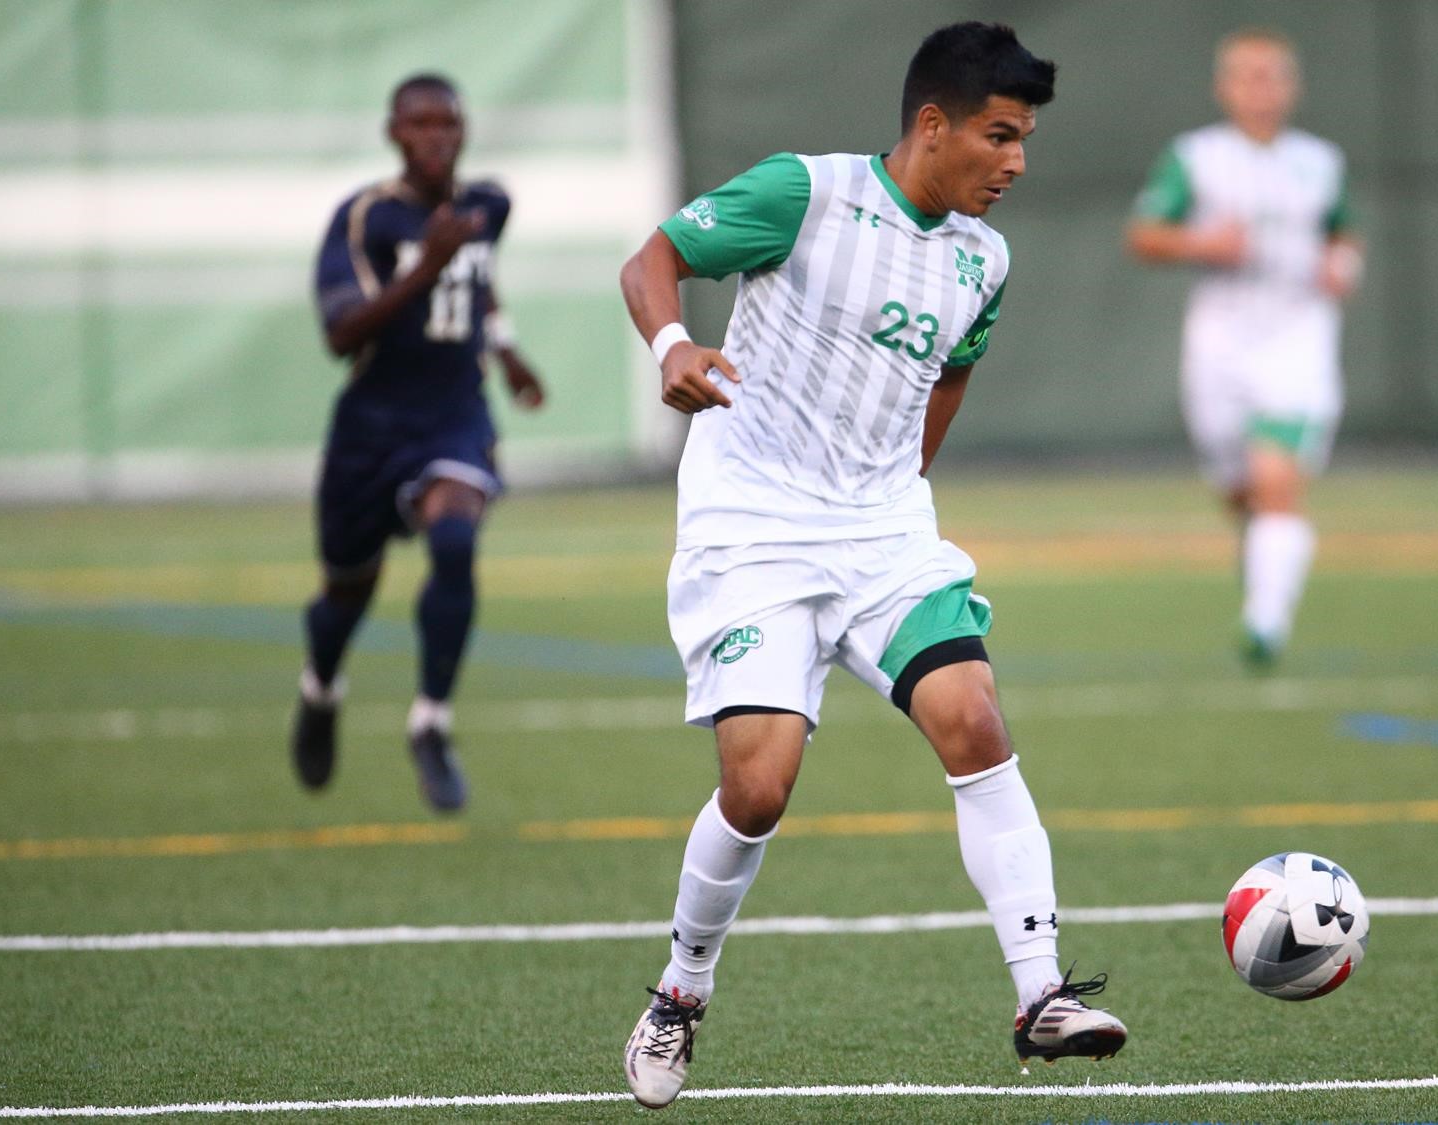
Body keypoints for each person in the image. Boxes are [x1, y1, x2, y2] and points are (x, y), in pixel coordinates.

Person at [614, 21, 1127, 1110]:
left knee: (974, 719)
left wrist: (898, 491)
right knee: (757, 790)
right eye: (998, 135)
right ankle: (682, 989)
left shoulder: (983, 260)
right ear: (930, 124)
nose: (1016, 162)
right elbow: (651, 259)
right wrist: (674, 349)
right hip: (750, 525)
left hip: (882, 531)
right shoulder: (804, 193)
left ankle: (1041, 994)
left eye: (1024, 139)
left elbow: (948, 374)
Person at [294, 73, 546, 813]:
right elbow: (342, 335)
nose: (436, 137)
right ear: (394, 134)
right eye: (421, 125)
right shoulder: (365, 218)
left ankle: (430, 720)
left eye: (449, 124)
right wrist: (425, 268)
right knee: (347, 592)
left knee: (457, 535)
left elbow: (478, 276)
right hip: (371, 426)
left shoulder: (485, 207)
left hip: (453, 416)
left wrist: (504, 346)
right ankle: (320, 687)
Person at [1125, 27, 1363, 669]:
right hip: (1219, 344)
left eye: (1273, 76)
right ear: (1223, 88)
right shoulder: (1197, 157)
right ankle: (1267, 575)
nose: (1261, 90)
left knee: (1276, 480)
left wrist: (1344, 266)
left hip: (1297, 338)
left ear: (1293, 86)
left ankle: (1266, 622)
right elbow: (1145, 234)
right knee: (1242, 494)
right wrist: (1202, 244)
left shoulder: (1322, 162)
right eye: (1247, 76)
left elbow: (1344, 238)